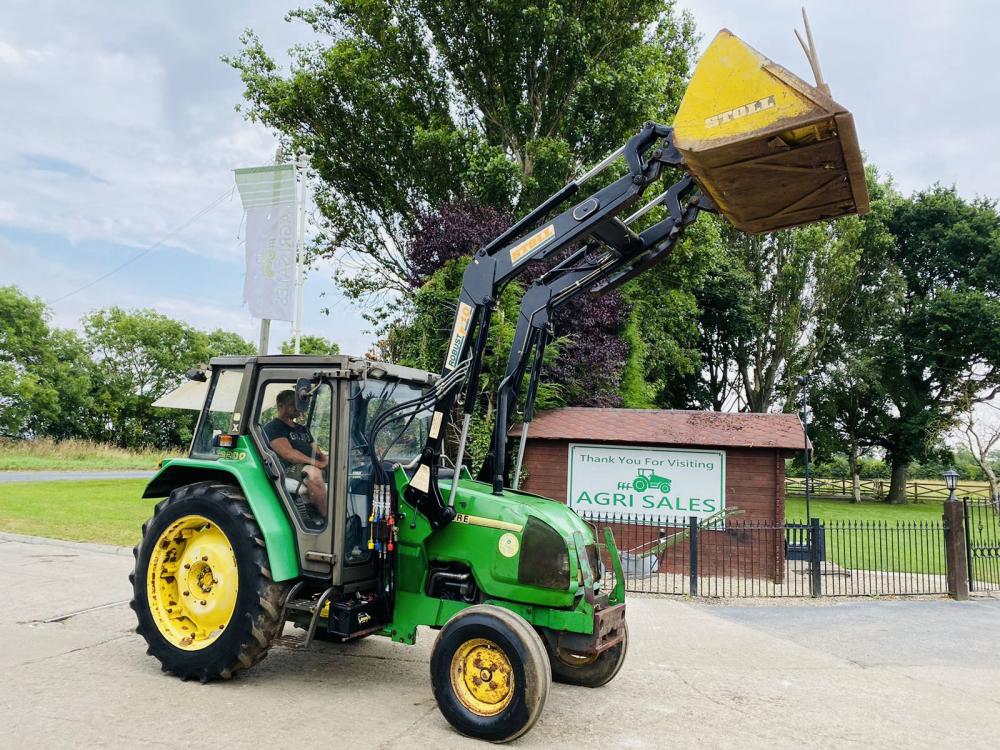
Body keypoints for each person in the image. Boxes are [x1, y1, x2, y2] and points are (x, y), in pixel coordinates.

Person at [263, 389, 327, 515]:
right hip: (288, 468)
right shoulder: (273, 427)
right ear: (281, 406)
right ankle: (327, 519)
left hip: (310, 463)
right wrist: (317, 463)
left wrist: (325, 459)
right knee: (313, 474)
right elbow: (288, 454)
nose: (297, 407)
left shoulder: (302, 429)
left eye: (298, 403)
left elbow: (316, 450)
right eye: (292, 404)